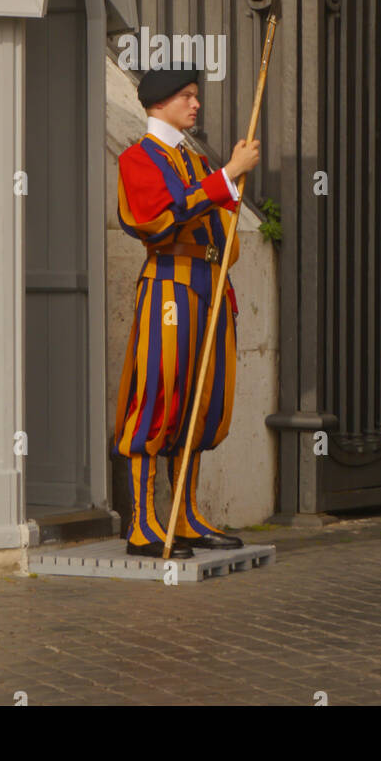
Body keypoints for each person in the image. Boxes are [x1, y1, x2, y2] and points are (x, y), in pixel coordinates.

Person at [113, 63, 260, 557]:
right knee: (158, 395)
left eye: (196, 96)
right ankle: (142, 525)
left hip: (209, 284)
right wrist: (227, 178)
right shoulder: (138, 159)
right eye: (187, 96)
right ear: (161, 102)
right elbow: (159, 220)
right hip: (170, 286)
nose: (196, 104)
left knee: (202, 402)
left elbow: (216, 218)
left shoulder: (196, 163)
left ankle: (185, 515)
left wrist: (226, 180)